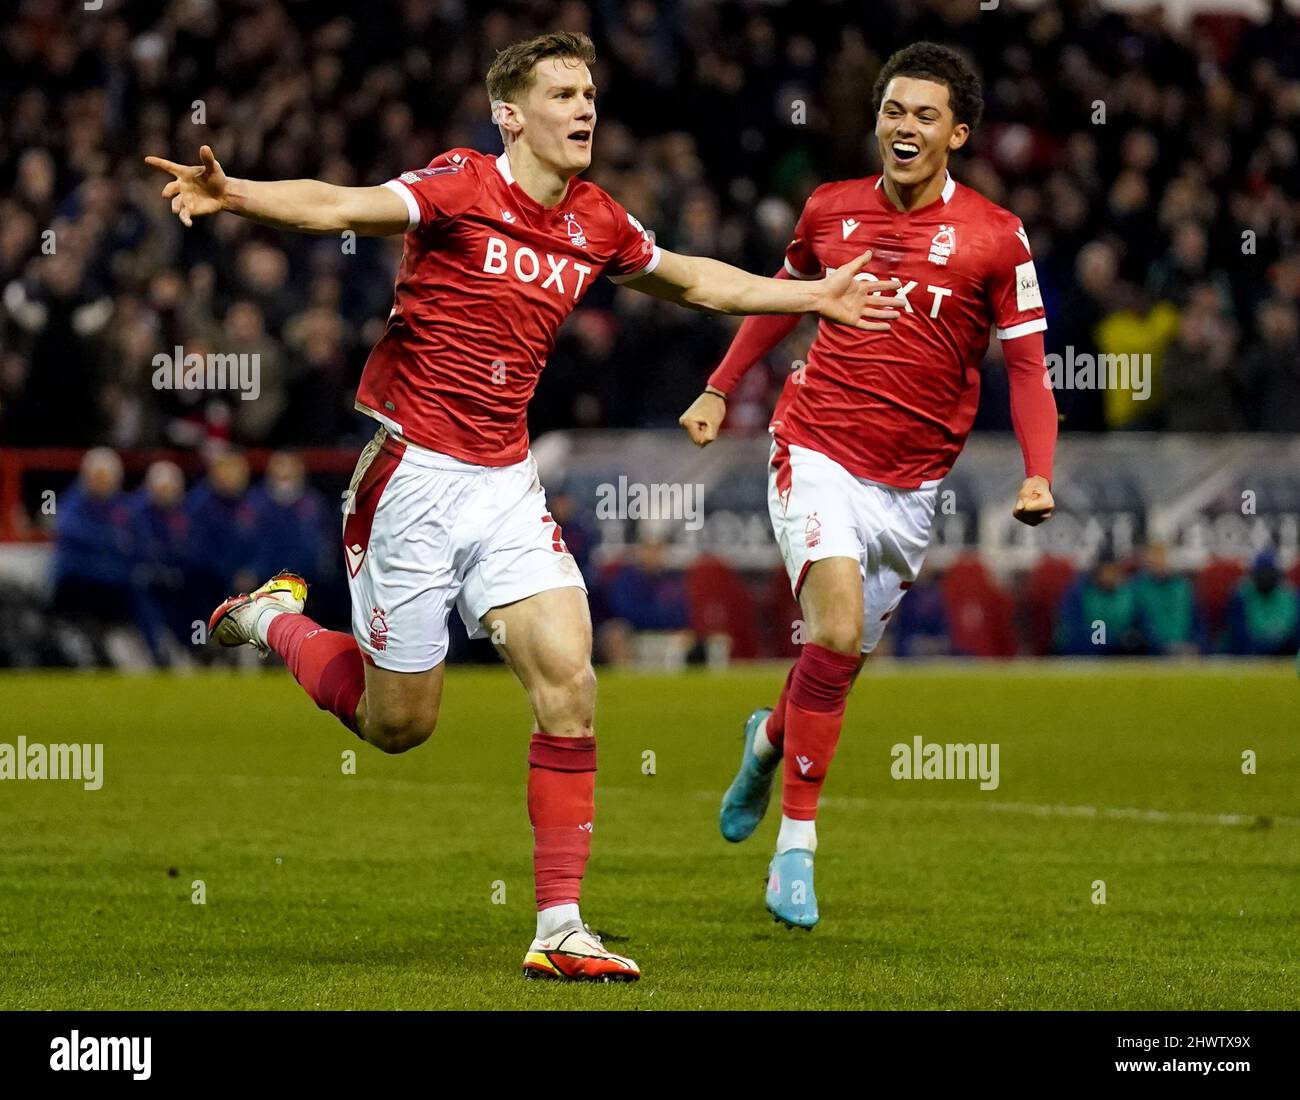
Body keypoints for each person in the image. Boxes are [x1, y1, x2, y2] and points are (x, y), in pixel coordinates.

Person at [145, 30, 899, 982]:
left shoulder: (595, 218)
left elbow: (692, 279)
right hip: (411, 477)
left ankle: (559, 927)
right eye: (562, 94)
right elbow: (340, 205)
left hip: (504, 483)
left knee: (571, 690)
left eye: (589, 92)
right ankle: (276, 621)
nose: (585, 109)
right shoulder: (461, 187)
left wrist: (814, 296)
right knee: (398, 725)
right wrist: (238, 193)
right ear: (511, 113)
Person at [679, 42, 1058, 929]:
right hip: (813, 448)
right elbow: (781, 300)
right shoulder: (828, 211)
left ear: (957, 133)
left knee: (833, 664)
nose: (905, 127)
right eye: (894, 110)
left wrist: (1040, 473)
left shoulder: (996, 236)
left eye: (925, 115)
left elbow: (1032, 368)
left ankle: (766, 742)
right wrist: (718, 386)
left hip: (913, 487)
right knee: (837, 626)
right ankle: (795, 855)